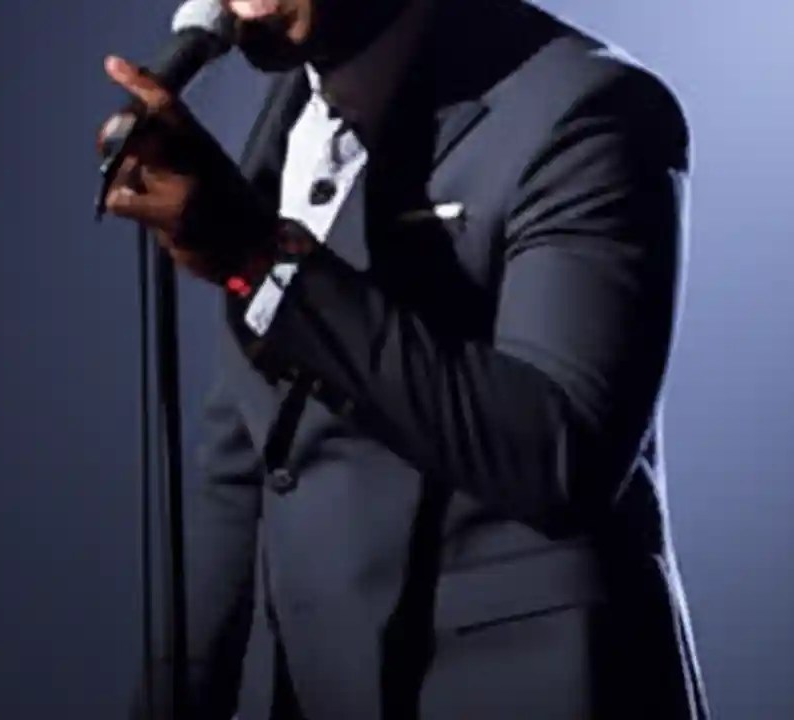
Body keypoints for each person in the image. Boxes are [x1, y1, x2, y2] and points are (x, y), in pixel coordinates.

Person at [101, 0, 708, 716]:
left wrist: (259, 257)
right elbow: (249, 471)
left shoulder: (589, 107)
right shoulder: (291, 117)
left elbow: (559, 453)